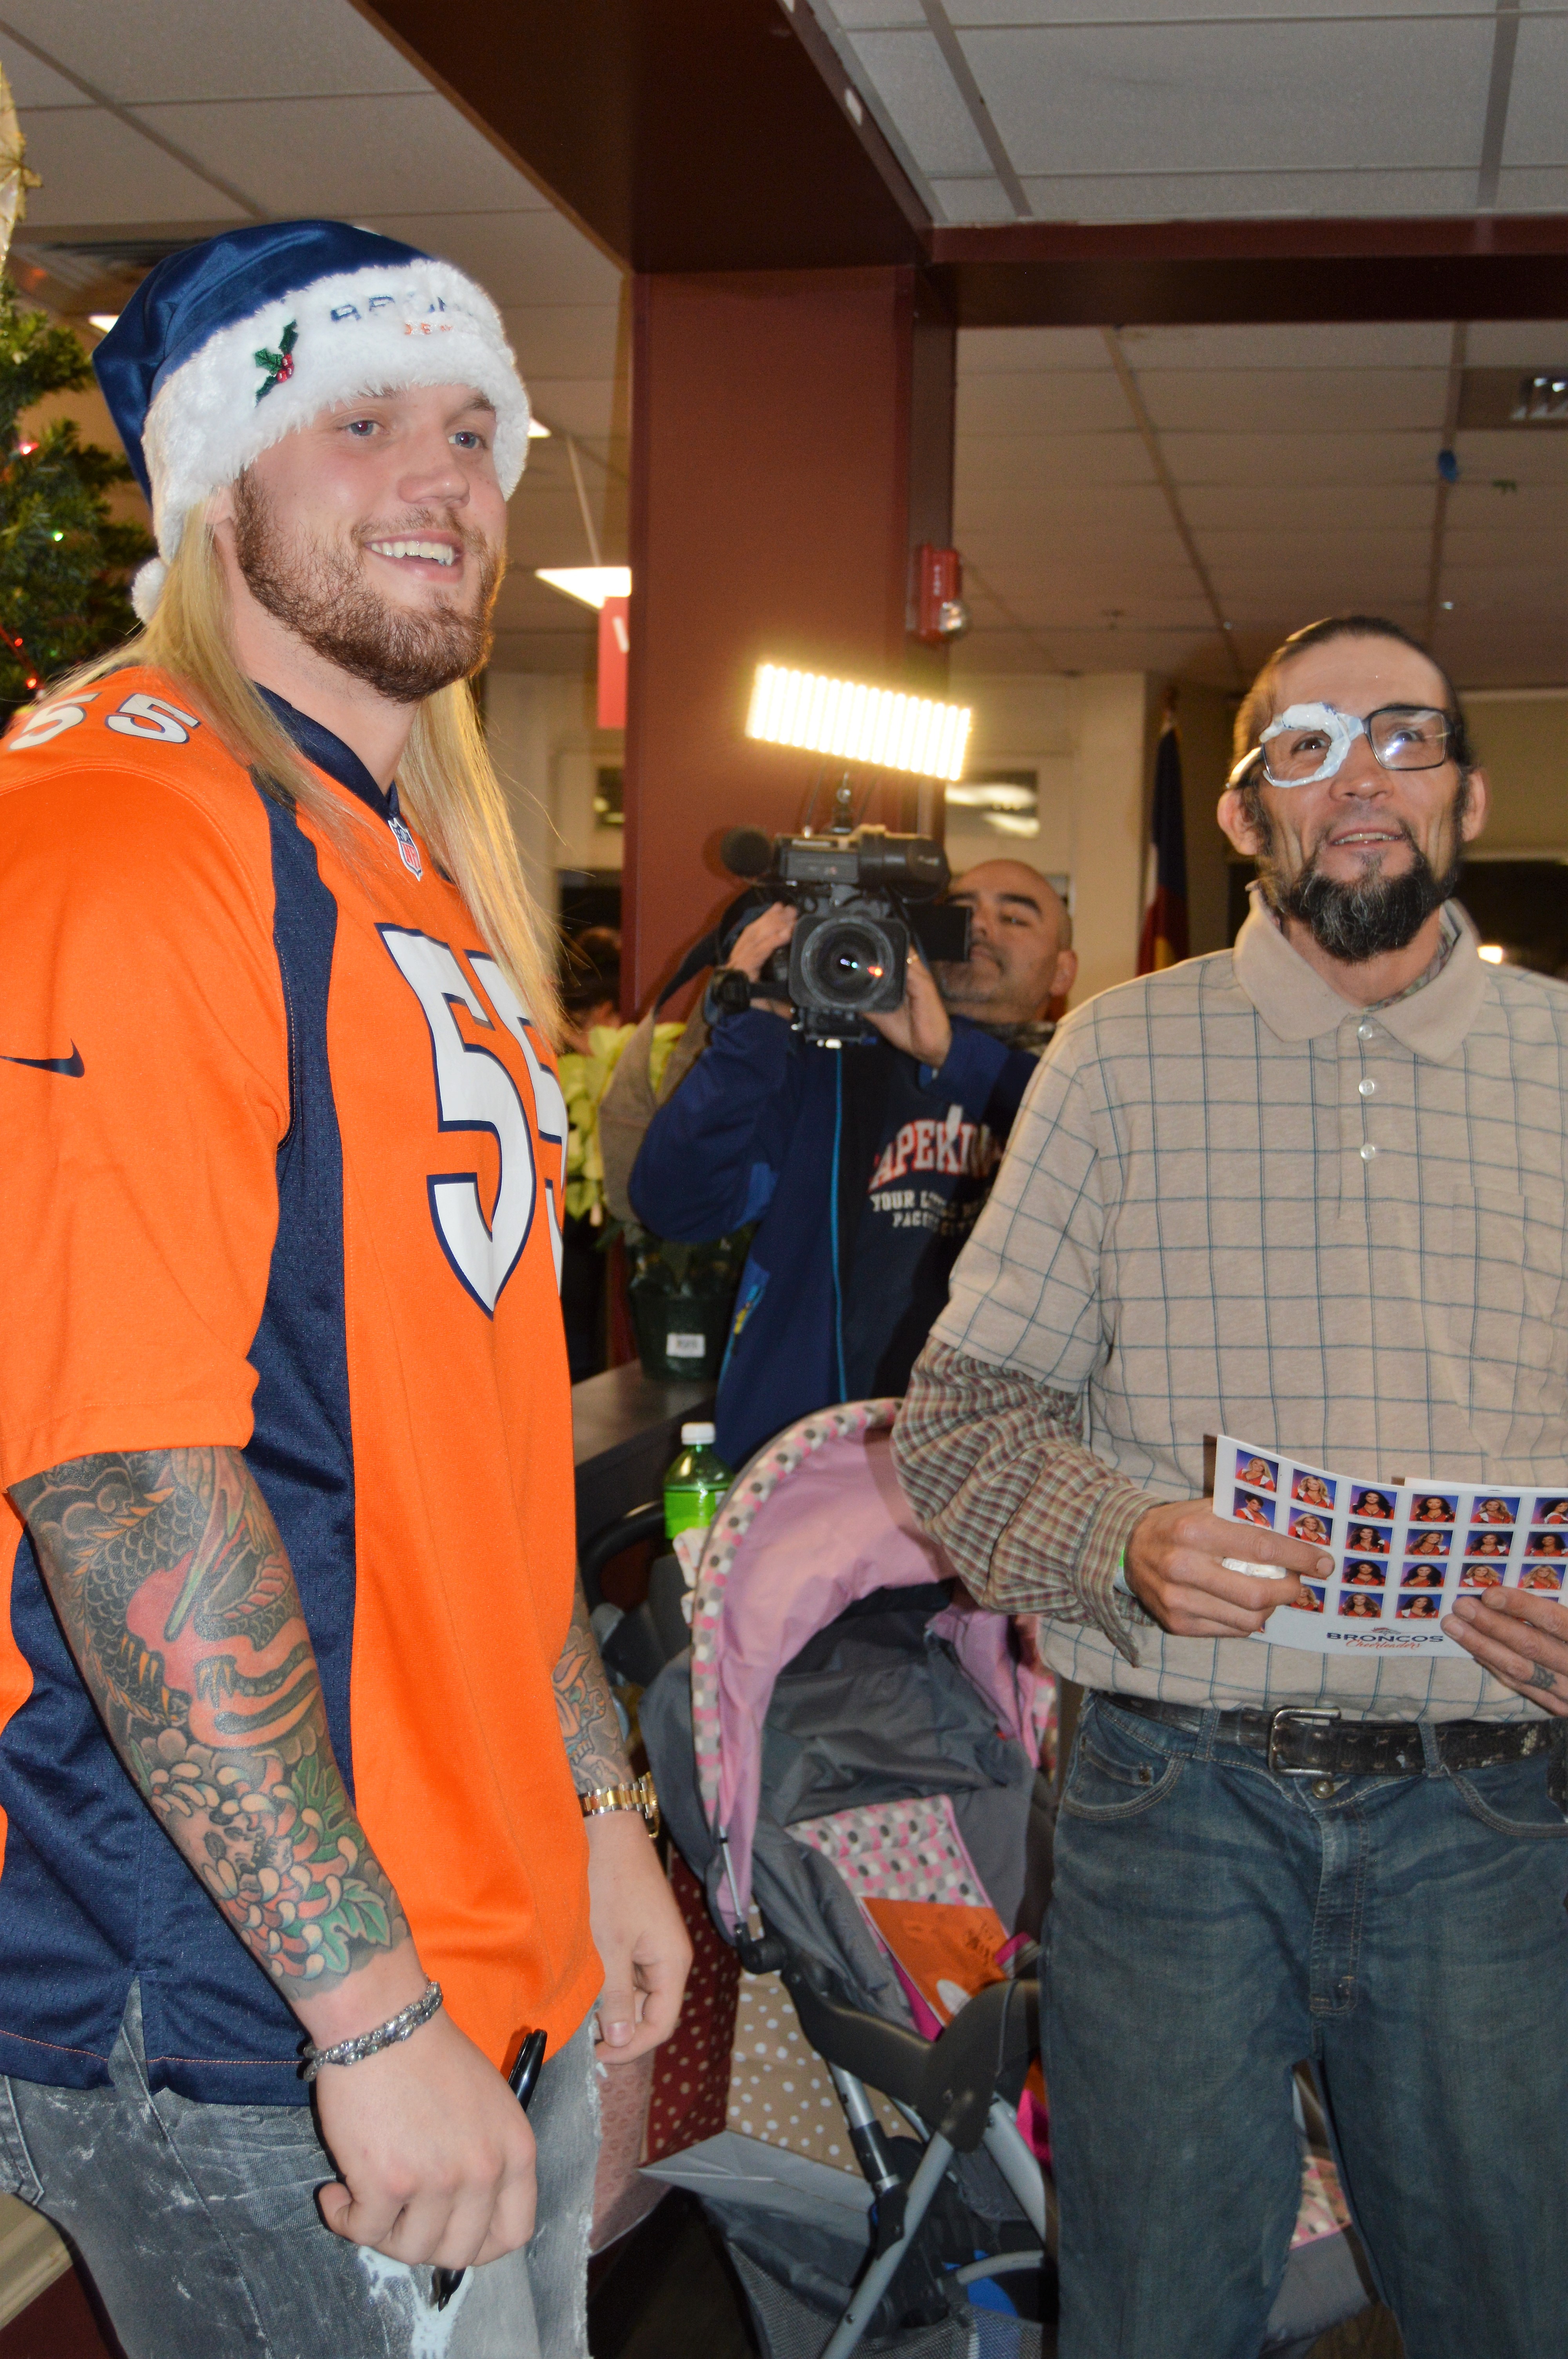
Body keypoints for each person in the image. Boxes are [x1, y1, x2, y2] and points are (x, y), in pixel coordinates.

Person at [0, 221, 690, 2359]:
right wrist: (360, 2003)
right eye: (362, 422)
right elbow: (120, 1474)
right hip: (237, 1989)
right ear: (222, 485)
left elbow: (461, 1447)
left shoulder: (405, 864)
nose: (445, 478)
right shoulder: (120, 831)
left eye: (477, 428)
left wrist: (593, 1805)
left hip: (463, 1911)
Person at [893, 612, 1568, 2359]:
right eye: (1304, 748)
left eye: (1400, 738)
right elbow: (958, 1423)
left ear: (1468, 791)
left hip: (1491, 1818)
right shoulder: (1114, 1059)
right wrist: (1120, 1538)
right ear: (1252, 816)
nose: (1357, 783)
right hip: (1172, 1803)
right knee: (1150, 2322)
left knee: (1516, 2308)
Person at [628, 860, 1076, 1467]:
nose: (980, 927)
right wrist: (752, 1029)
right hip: (814, 1464)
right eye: (959, 910)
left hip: (1000, 1472)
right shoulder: (826, 1067)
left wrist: (951, 1055)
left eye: (1016, 916)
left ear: (1064, 968)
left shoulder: (1081, 1085)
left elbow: (1096, 1156)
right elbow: (676, 1204)